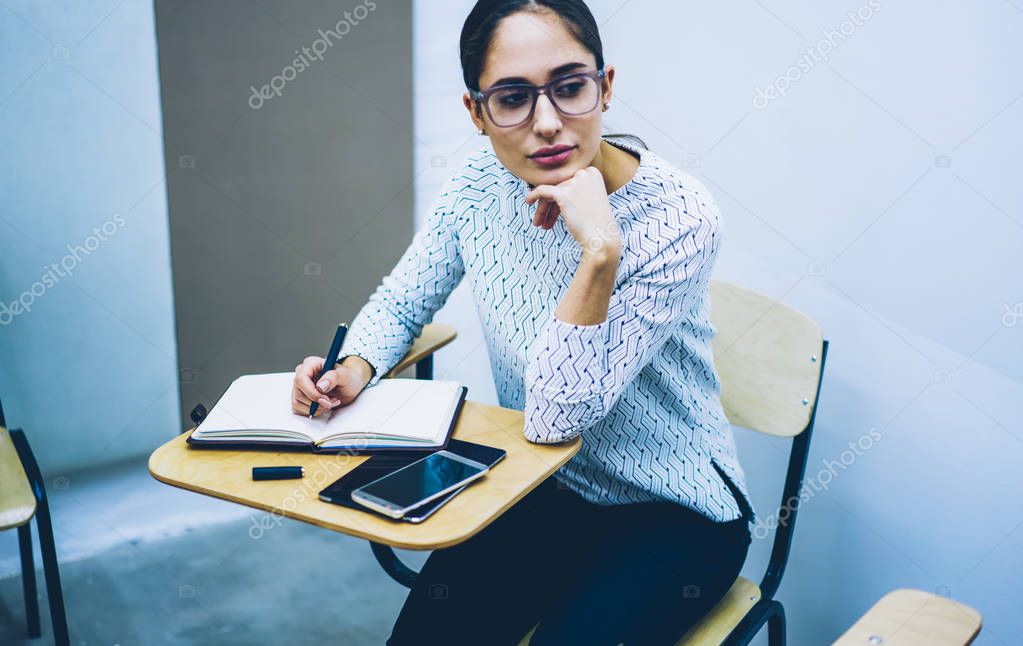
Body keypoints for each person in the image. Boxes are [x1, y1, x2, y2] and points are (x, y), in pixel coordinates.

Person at [292, 1, 756, 643]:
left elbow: (558, 415)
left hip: (676, 513)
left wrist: (599, 253)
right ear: (477, 113)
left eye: (570, 88)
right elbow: (402, 301)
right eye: (512, 98)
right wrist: (354, 365)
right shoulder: (479, 186)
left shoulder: (679, 218)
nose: (547, 123)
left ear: (606, 86)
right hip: (542, 484)